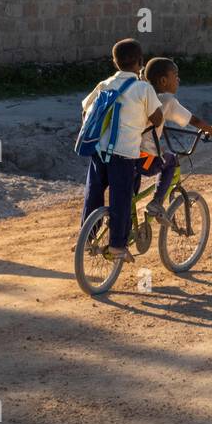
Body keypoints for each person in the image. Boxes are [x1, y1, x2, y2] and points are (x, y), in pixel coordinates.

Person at [80, 39, 164, 263]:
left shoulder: (105, 83)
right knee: (122, 197)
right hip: (124, 154)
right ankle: (117, 244)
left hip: (98, 150)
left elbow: (85, 107)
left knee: (94, 192)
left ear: (115, 62)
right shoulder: (143, 88)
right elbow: (157, 118)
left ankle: (87, 237)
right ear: (141, 62)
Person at [138, 58, 212, 222]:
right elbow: (194, 121)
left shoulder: (143, 94)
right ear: (163, 81)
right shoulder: (167, 100)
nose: (178, 79)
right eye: (175, 75)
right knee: (170, 160)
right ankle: (156, 202)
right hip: (144, 159)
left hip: (128, 153)